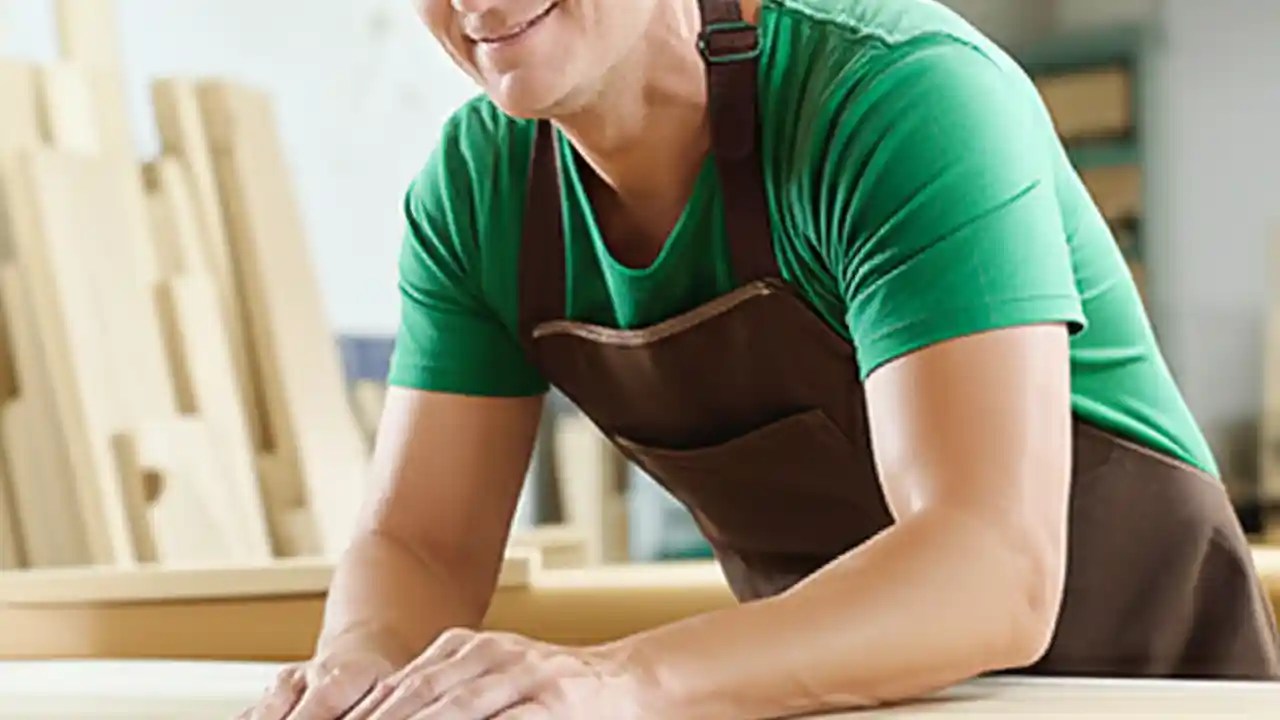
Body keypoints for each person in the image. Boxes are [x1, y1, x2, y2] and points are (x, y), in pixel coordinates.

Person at [243, 0, 1280, 717]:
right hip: (839, 701)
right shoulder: (473, 196)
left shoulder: (896, 98)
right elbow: (420, 547)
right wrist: (360, 680)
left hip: (1138, 694)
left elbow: (987, 564)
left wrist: (619, 683)